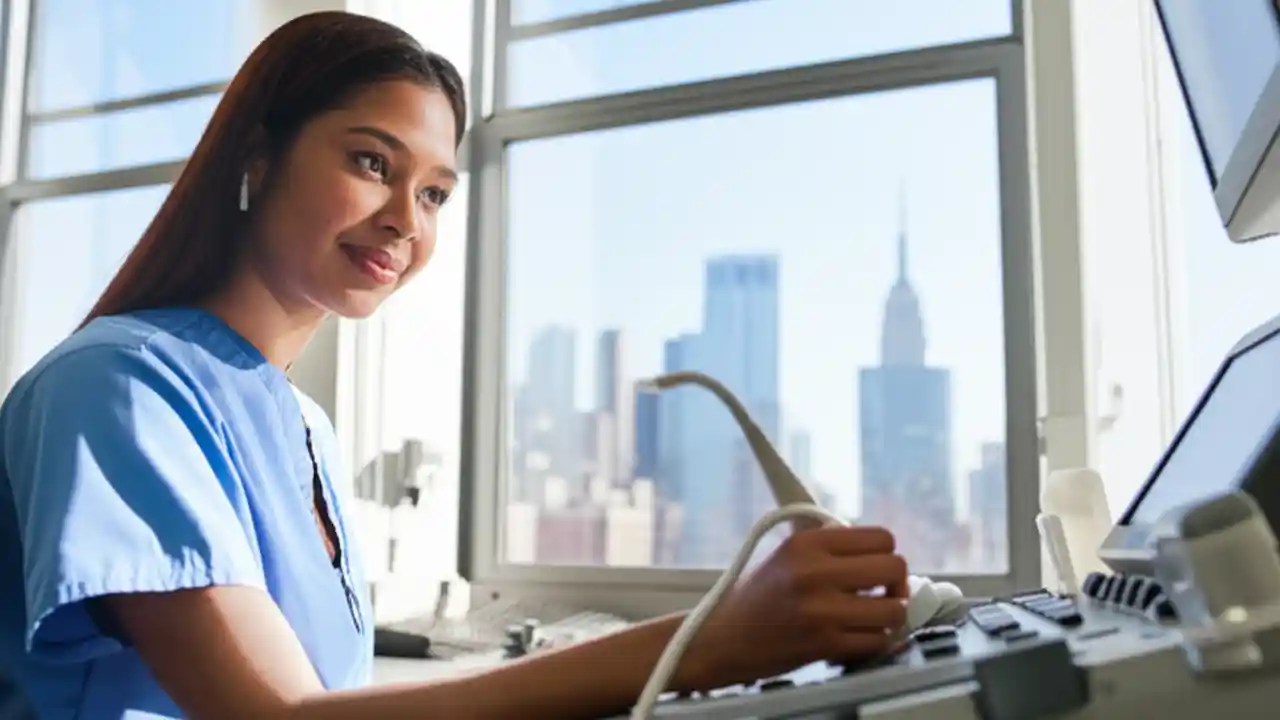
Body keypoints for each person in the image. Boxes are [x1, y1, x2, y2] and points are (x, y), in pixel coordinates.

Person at [0, 11, 909, 719]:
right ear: (257, 156)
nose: (407, 219)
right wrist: (705, 642)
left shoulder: (304, 428)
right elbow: (280, 718)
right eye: (371, 162)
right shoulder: (118, 386)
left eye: (434, 192)